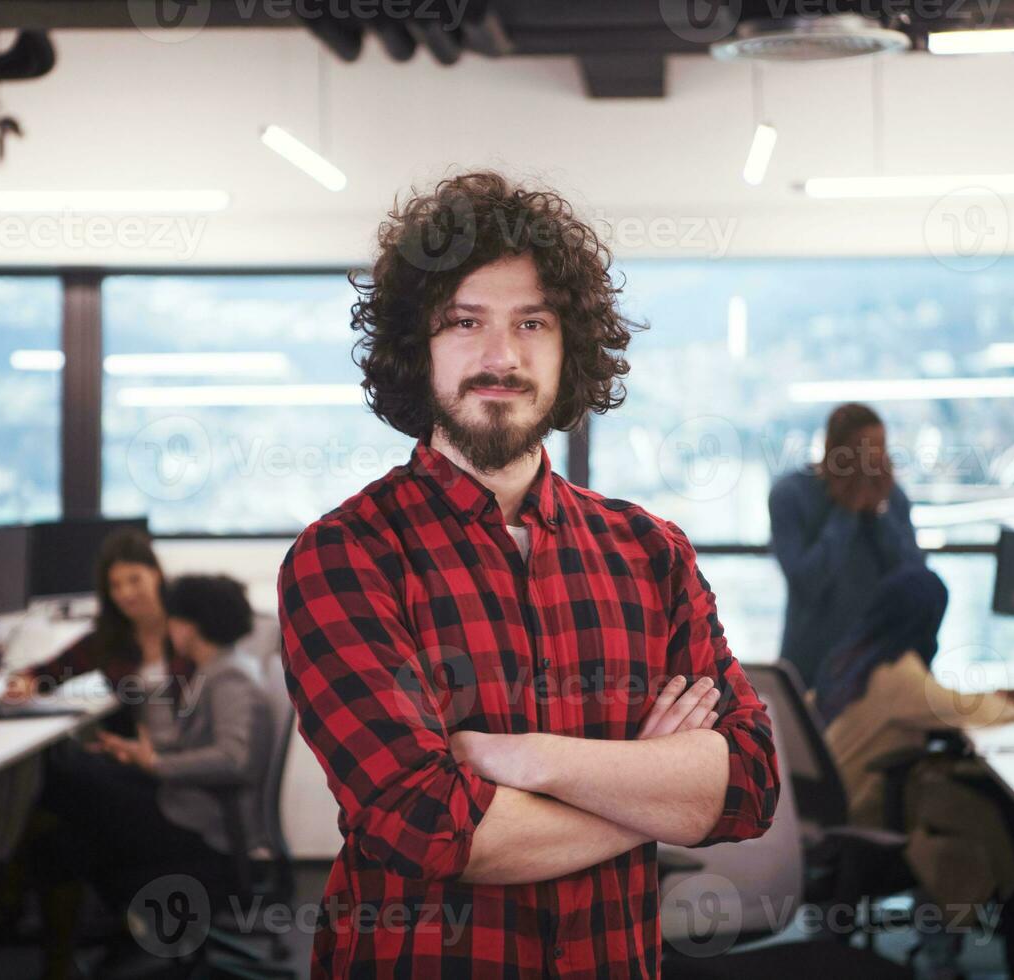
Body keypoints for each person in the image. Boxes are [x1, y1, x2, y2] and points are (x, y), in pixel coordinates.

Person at [277, 171, 780, 978]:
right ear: (418, 347)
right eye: (465, 322)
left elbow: (748, 783)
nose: (501, 356)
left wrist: (529, 761)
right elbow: (432, 826)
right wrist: (654, 796)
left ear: (568, 345)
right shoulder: (344, 557)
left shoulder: (652, 553)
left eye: (532, 323)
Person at [815, 565, 1014, 979]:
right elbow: (965, 712)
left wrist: (982, 698)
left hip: (834, 804)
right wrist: (1012, 706)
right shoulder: (898, 674)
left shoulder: (854, 660)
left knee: (1001, 806)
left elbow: (943, 703)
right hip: (869, 808)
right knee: (1010, 823)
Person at [35, 574, 271, 978]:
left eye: (173, 619)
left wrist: (154, 764)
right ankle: (107, 929)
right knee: (66, 830)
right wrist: (136, 753)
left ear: (191, 625)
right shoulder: (215, 668)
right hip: (191, 804)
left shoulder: (228, 676)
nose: (168, 628)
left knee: (66, 776)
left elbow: (234, 759)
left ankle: (35, 921)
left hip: (202, 824)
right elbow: (184, 743)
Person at [769, 402, 924, 685]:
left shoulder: (890, 497)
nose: (874, 459)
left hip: (878, 665)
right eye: (864, 449)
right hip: (810, 666)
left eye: (880, 447)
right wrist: (848, 510)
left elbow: (915, 579)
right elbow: (807, 583)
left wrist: (879, 511)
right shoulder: (790, 495)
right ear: (834, 450)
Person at [5, 527, 193, 735]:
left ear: (156, 574)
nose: (126, 593)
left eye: (134, 579)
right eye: (115, 585)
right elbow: (47, 672)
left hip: (190, 753)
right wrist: (25, 682)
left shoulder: (191, 626)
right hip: (135, 754)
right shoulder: (110, 638)